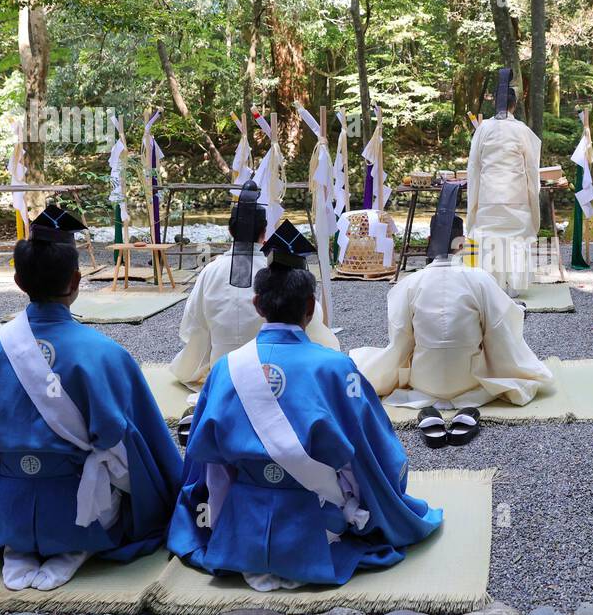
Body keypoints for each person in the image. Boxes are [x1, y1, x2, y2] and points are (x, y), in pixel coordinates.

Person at [0, 205, 183, 590]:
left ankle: (16, 545)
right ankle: (74, 546)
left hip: (5, 507)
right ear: (75, 280)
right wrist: (173, 496)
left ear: (19, 281)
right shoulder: (104, 353)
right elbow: (143, 440)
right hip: (81, 510)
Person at [168, 220, 442, 591]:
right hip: (318, 522)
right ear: (311, 309)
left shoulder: (224, 369)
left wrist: (213, 516)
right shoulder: (335, 368)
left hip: (240, 525)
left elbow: (206, 463)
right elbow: (375, 450)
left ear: (257, 305)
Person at [351, 182, 553, 409]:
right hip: (470, 381)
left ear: (429, 242)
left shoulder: (409, 284)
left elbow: (401, 342)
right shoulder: (480, 279)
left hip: (425, 382)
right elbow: (499, 331)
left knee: (369, 357)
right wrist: (516, 312)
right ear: (463, 244)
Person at [169, 181, 339, 388]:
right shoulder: (280, 269)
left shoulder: (210, 272)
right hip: (278, 371)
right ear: (265, 231)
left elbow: (193, 327)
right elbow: (309, 322)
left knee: (201, 340)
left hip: (224, 370)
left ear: (230, 231)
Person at [465, 67, 541, 293]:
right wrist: (532, 198)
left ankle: (489, 284)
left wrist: (474, 201)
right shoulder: (522, 130)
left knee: (489, 237)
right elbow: (531, 169)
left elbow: (474, 167)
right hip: (515, 194)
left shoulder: (483, 129)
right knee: (517, 238)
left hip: (489, 195)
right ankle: (515, 285)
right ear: (514, 105)